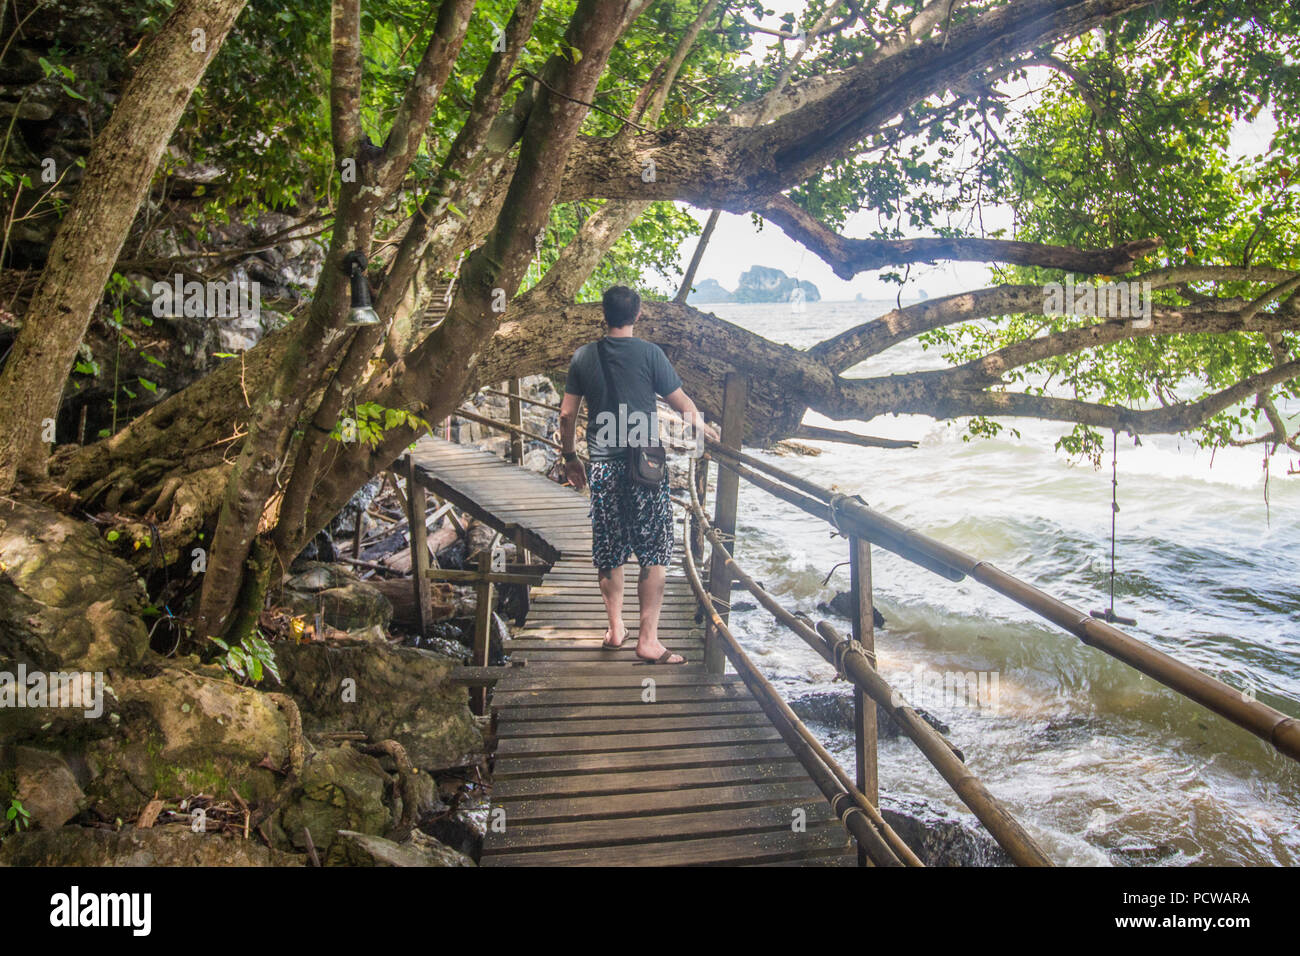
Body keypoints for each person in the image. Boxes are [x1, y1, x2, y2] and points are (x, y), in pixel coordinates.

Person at [558, 286, 718, 664]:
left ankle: (615, 630)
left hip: (603, 468)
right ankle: (648, 641)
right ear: (639, 314)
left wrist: (569, 457)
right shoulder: (651, 354)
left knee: (610, 551)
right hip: (645, 469)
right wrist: (704, 431)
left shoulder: (583, 356)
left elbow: (566, 414)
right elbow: (683, 405)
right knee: (653, 553)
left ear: (603, 314)